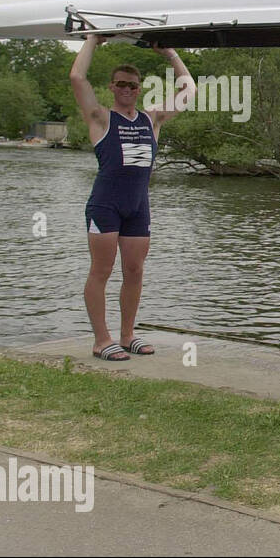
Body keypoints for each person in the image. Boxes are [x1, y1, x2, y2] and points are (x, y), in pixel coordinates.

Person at [70, 35, 194, 361]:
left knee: (135, 271)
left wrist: (170, 53)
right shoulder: (100, 118)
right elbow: (76, 77)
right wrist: (93, 40)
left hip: (138, 207)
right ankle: (101, 340)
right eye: (121, 84)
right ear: (112, 87)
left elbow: (189, 92)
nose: (127, 90)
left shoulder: (151, 119)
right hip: (105, 205)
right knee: (101, 270)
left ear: (139, 89)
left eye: (133, 85)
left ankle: (127, 336)